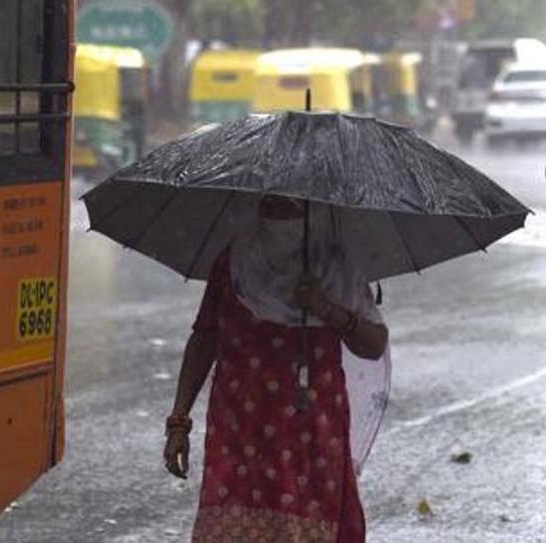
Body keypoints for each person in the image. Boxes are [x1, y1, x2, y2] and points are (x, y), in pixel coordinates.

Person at [163, 194, 389, 542]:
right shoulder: (235, 262)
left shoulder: (333, 266)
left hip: (310, 438)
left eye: (291, 203)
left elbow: (373, 344)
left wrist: (325, 308)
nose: (278, 209)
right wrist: (179, 420)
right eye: (271, 199)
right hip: (237, 434)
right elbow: (204, 337)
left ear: (312, 205)